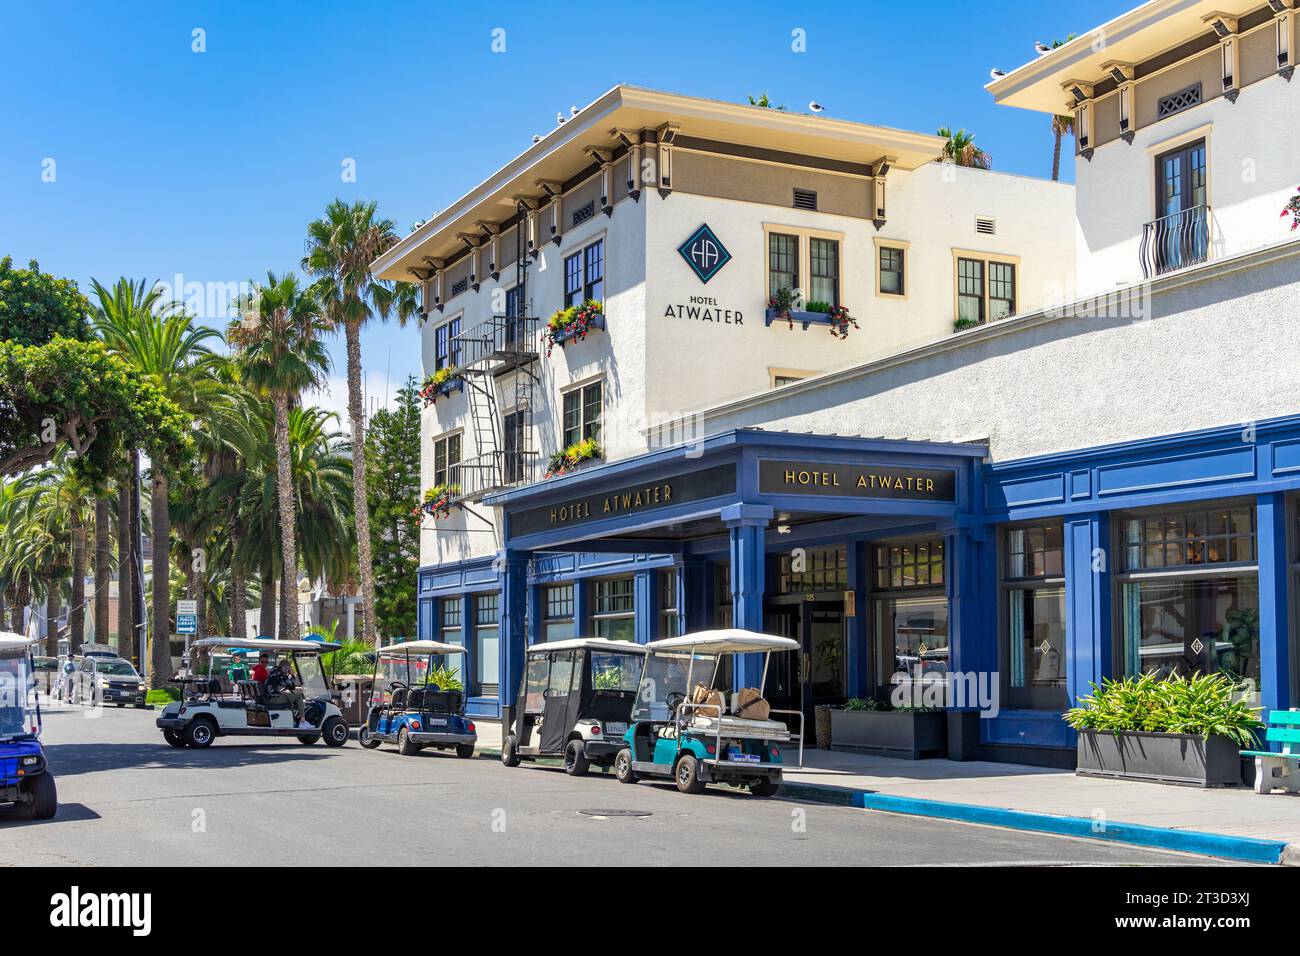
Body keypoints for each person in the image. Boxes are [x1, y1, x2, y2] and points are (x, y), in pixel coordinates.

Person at [264, 659, 308, 728]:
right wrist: (293, 675)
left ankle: (292, 720)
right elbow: (291, 686)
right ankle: (303, 722)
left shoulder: (273, 672)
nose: (289, 669)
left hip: (268, 697)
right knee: (299, 696)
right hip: (272, 698)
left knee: (290, 697)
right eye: (288, 667)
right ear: (284, 667)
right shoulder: (281, 674)